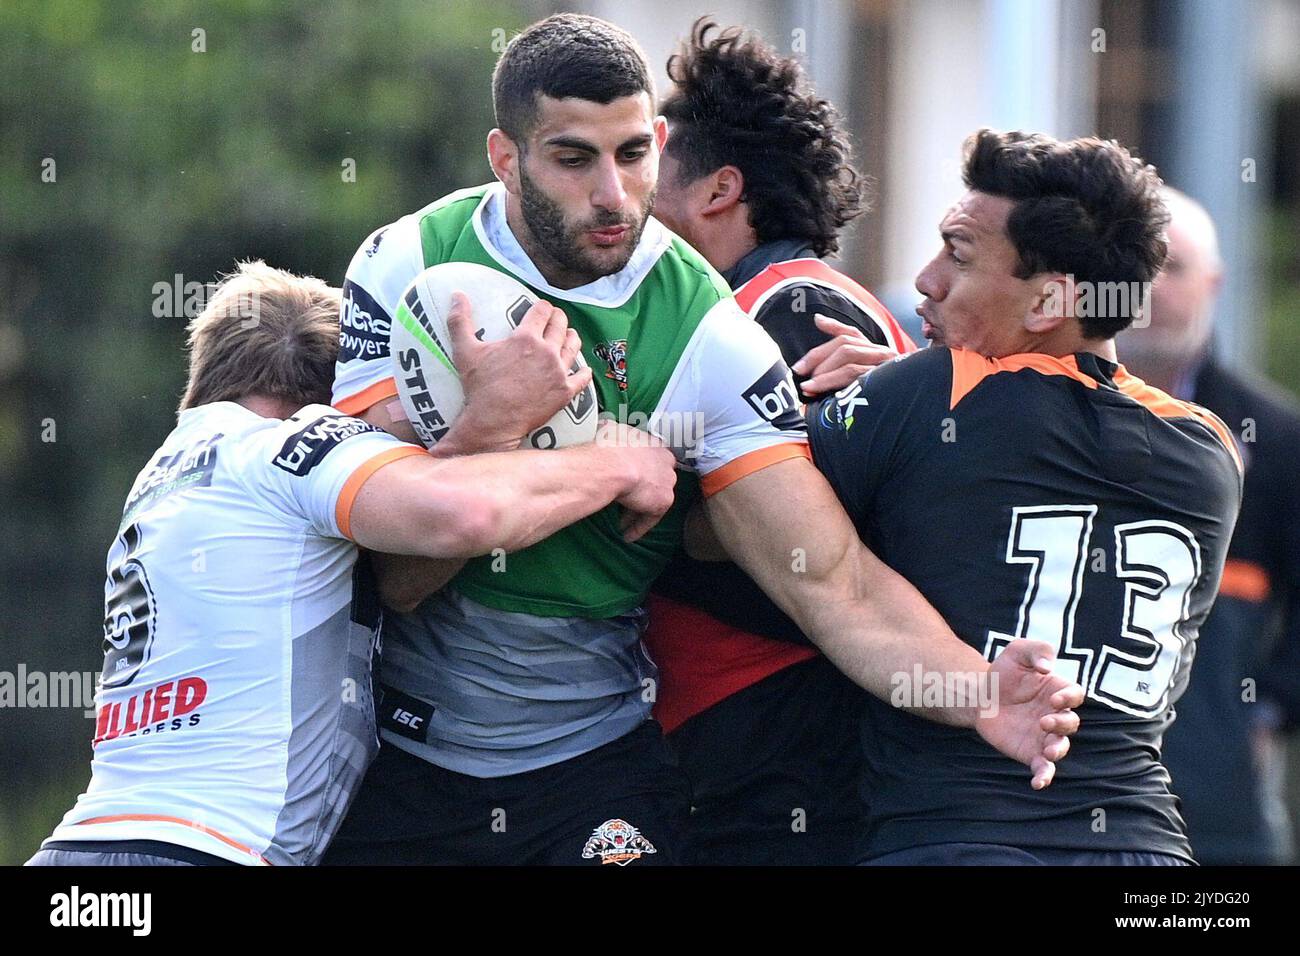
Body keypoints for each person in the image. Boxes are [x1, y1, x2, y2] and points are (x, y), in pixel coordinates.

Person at [324, 14, 1082, 867]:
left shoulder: (711, 339)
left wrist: (978, 693)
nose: (612, 193)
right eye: (574, 159)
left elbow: (830, 579)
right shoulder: (406, 261)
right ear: (507, 159)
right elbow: (392, 575)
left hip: (588, 762)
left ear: (657, 140)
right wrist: (527, 435)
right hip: (390, 746)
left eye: (633, 155)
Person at [26, 261, 679, 866]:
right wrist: (610, 461)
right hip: (205, 852)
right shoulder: (283, 446)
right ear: (327, 403)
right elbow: (461, 517)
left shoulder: (165, 474)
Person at [803, 130, 1243, 865]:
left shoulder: (929, 390)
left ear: (1048, 300)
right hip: (1150, 850)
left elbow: (736, 521)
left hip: (959, 838)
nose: (926, 278)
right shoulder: (1212, 448)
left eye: (958, 253)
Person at [644, 19, 909, 865]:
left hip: (776, 730)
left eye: (646, 168)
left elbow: (803, 534)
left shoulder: (788, 306)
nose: (624, 197)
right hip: (746, 732)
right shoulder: (752, 300)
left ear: (718, 190)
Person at [1119, 188, 1300, 865]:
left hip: (1215, 809)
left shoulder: (1278, 439)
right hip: (1061, 794)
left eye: (1175, 269)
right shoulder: (1037, 418)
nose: (1153, 290)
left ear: (1215, 284)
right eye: (1138, 268)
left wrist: (1267, 712)